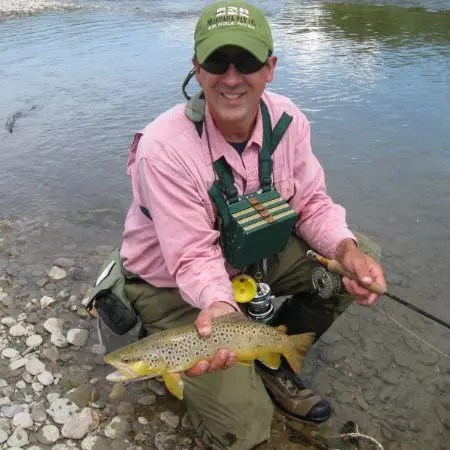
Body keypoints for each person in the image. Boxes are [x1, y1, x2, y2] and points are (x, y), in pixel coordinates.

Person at [118, 1, 386, 448]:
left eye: (245, 61)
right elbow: (192, 256)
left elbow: (312, 204)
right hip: (173, 281)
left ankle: (275, 353)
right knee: (243, 432)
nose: (230, 77)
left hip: (248, 260)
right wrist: (223, 314)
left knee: (356, 265)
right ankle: (172, 335)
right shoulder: (163, 149)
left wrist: (346, 250)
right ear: (197, 69)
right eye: (216, 62)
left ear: (270, 67)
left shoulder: (288, 121)